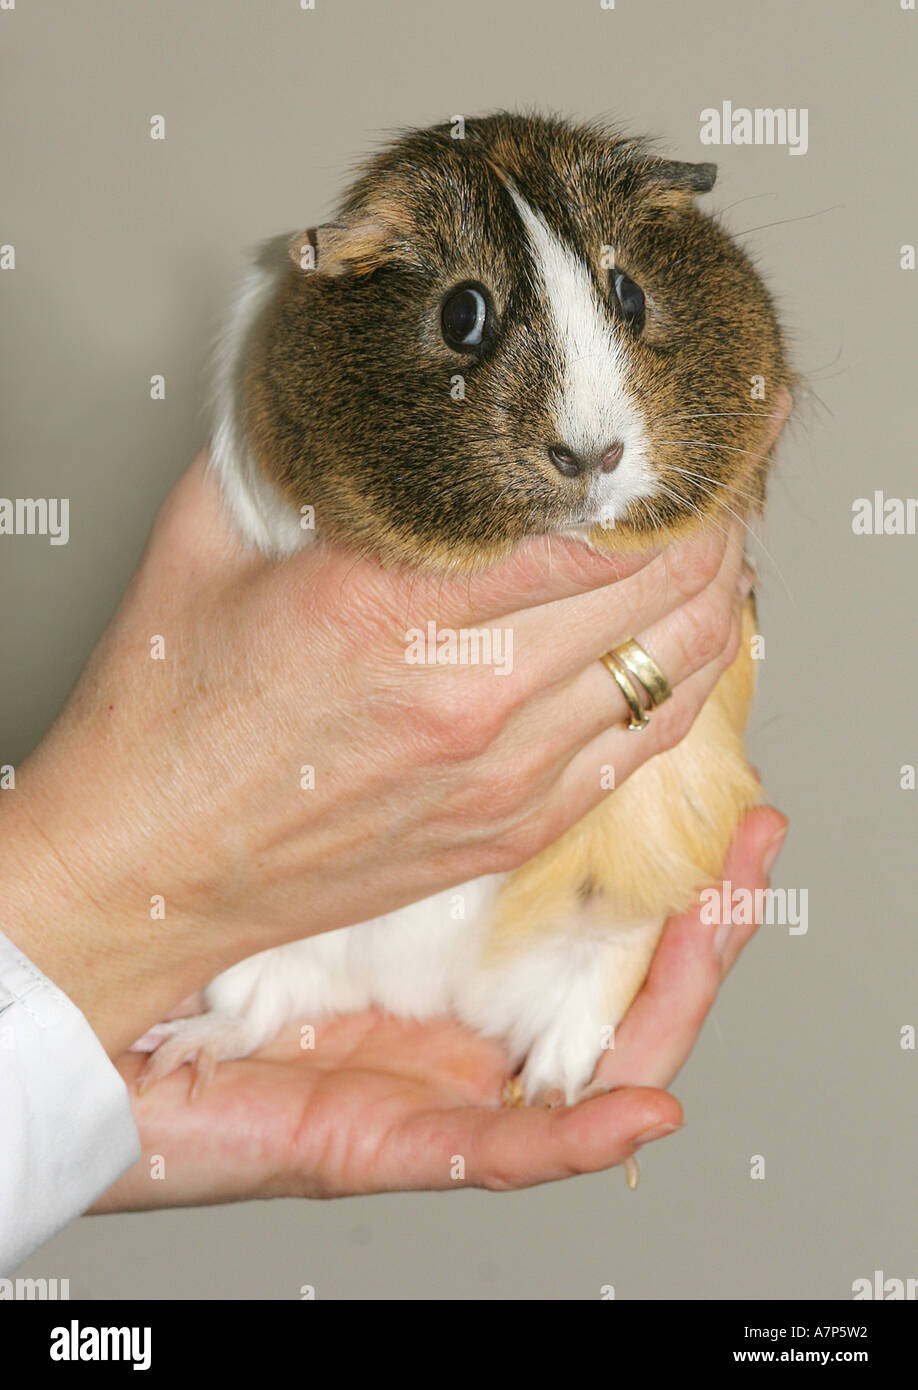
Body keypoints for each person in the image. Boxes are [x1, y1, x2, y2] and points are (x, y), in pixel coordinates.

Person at [0, 449, 787, 1270]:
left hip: (543, 943)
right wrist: (99, 939)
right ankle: (260, 1004)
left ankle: (557, 1059)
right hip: (297, 958)